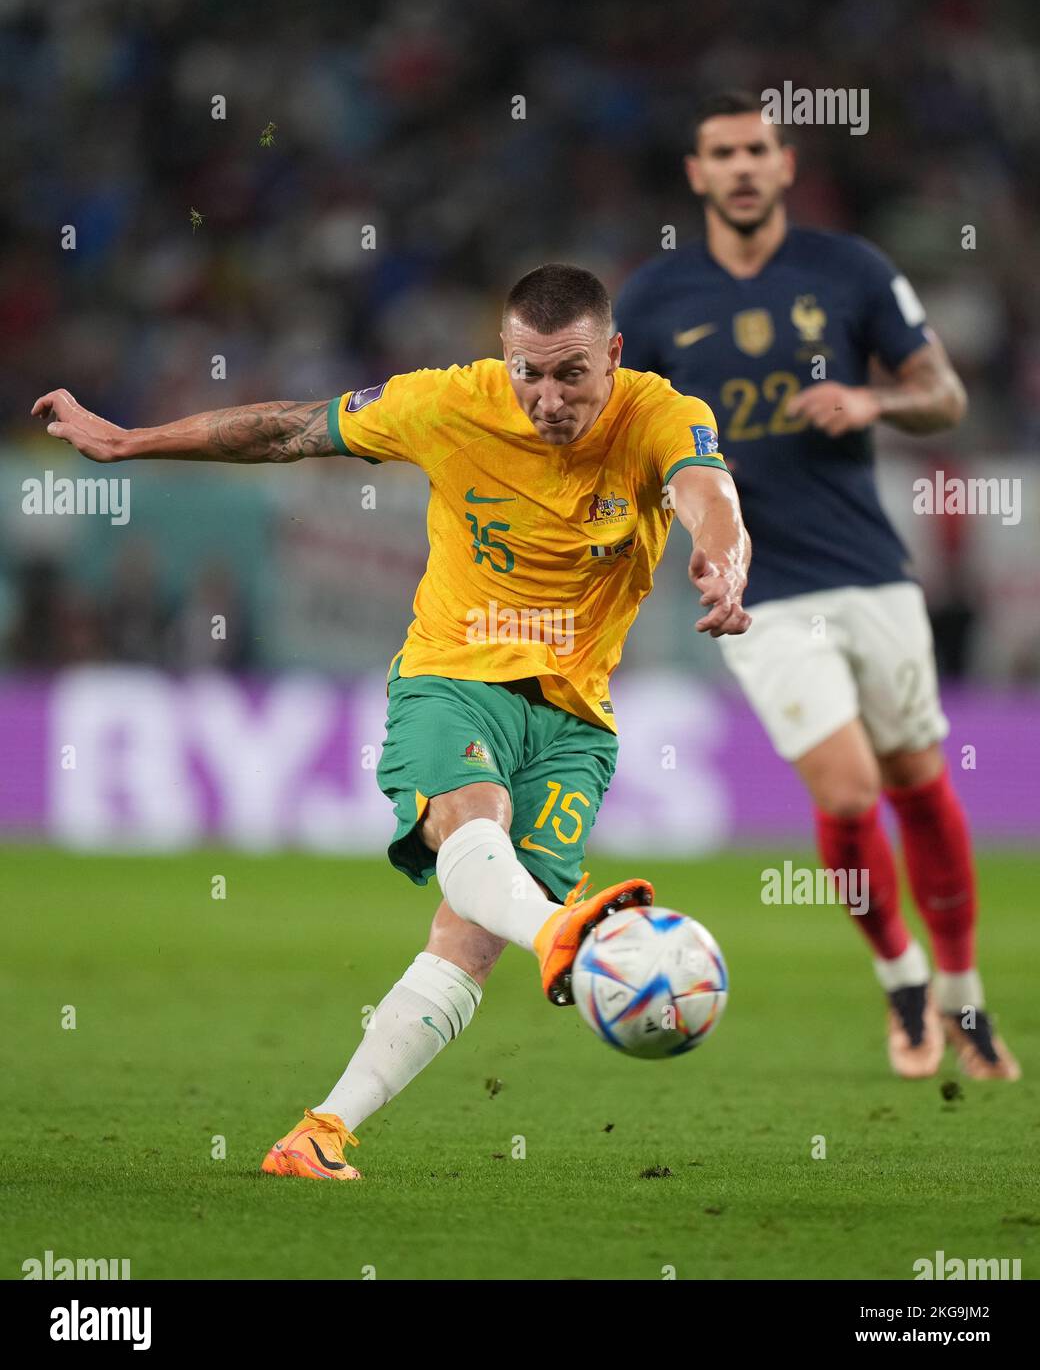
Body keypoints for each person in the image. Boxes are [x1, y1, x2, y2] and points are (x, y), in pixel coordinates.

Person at [33, 262, 752, 1179]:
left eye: (571, 373)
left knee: (466, 942)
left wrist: (722, 563)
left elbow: (710, 498)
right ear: (503, 355)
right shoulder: (445, 404)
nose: (546, 396)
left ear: (612, 355)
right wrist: (134, 441)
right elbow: (291, 428)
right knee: (469, 819)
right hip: (452, 673)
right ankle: (563, 936)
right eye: (527, 371)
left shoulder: (661, 413)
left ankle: (319, 1132)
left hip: (576, 720)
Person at [615, 92, 1019, 1082]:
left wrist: (871, 398)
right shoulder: (654, 300)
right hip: (757, 584)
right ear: (696, 174)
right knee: (844, 786)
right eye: (722, 153)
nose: (743, 167)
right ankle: (901, 980)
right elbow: (615, 433)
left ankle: (964, 998)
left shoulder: (850, 272)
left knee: (918, 782)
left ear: (784, 164)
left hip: (870, 570)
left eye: (758, 149)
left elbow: (945, 394)